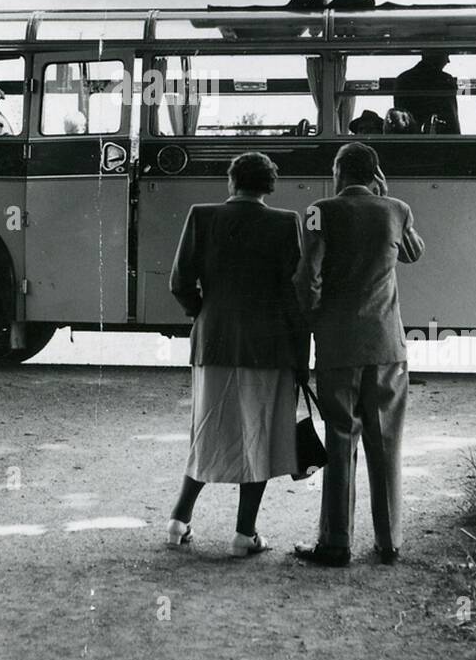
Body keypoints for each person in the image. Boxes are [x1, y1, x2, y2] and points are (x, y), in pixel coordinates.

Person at [166, 151, 309, 556]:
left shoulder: (201, 216)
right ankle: (245, 534)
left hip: (213, 342)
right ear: (269, 187)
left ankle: (178, 520)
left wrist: (203, 312)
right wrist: (302, 358)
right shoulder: (286, 223)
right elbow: (295, 297)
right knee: (259, 436)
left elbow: (179, 283)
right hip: (269, 346)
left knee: (207, 432)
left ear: (231, 182)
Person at [293, 142, 424, 568]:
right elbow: (414, 252)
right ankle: (389, 543)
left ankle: (336, 542)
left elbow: (307, 276)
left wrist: (315, 318)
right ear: (375, 174)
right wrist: (387, 197)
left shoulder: (318, 211)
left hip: (338, 344)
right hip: (387, 345)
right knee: (386, 444)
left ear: (338, 171)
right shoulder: (397, 209)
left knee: (340, 439)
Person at [393, 50, 460, 133]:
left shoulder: (403, 79)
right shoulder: (445, 80)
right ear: (435, 56)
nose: (448, 61)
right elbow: (452, 119)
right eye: (446, 56)